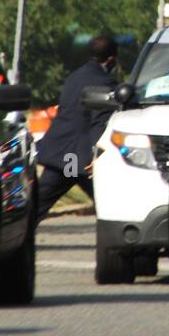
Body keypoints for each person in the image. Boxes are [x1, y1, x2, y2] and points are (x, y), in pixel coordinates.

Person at [35, 35, 119, 221]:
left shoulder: (75, 76)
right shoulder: (104, 83)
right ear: (111, 59)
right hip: (82, 159)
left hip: (64, 154)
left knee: (37, 205)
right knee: (113, 207)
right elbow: (100, 121)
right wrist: (98, 154)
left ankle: (13, 242)